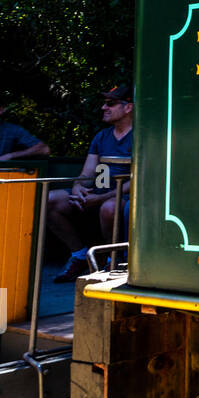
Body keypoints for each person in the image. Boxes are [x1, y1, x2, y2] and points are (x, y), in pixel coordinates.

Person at [51, 84, 134, 282]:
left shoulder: (141, 136)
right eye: (104, 104)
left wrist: (100, 198)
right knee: (51, 199)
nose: (103, 108)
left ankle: (113, 260)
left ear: (128, 107)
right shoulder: (102, 136)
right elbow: (88, 173)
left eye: (110, 104)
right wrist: (78, 189)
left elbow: (138, 180)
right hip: (97, 193)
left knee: (109, 208)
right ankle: (79, 255)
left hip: (123, 198)